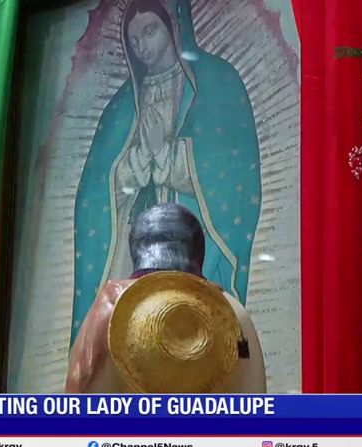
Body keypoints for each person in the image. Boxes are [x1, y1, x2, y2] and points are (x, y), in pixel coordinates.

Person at [71, 0, 262, 345]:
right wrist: (132, 167)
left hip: (193, 238)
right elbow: (92, 194)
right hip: (138, 247)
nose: (141, 45)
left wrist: (175, 161)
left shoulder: (217, 83)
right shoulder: (121, 107)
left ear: (173, 25)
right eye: (133, 39)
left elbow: (234, 177)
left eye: (149, 30)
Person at [64, 203, 272, 447]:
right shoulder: (229, 313)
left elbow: (78, 419)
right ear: (198, 250)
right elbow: (251, 446)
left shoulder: (109, 309)